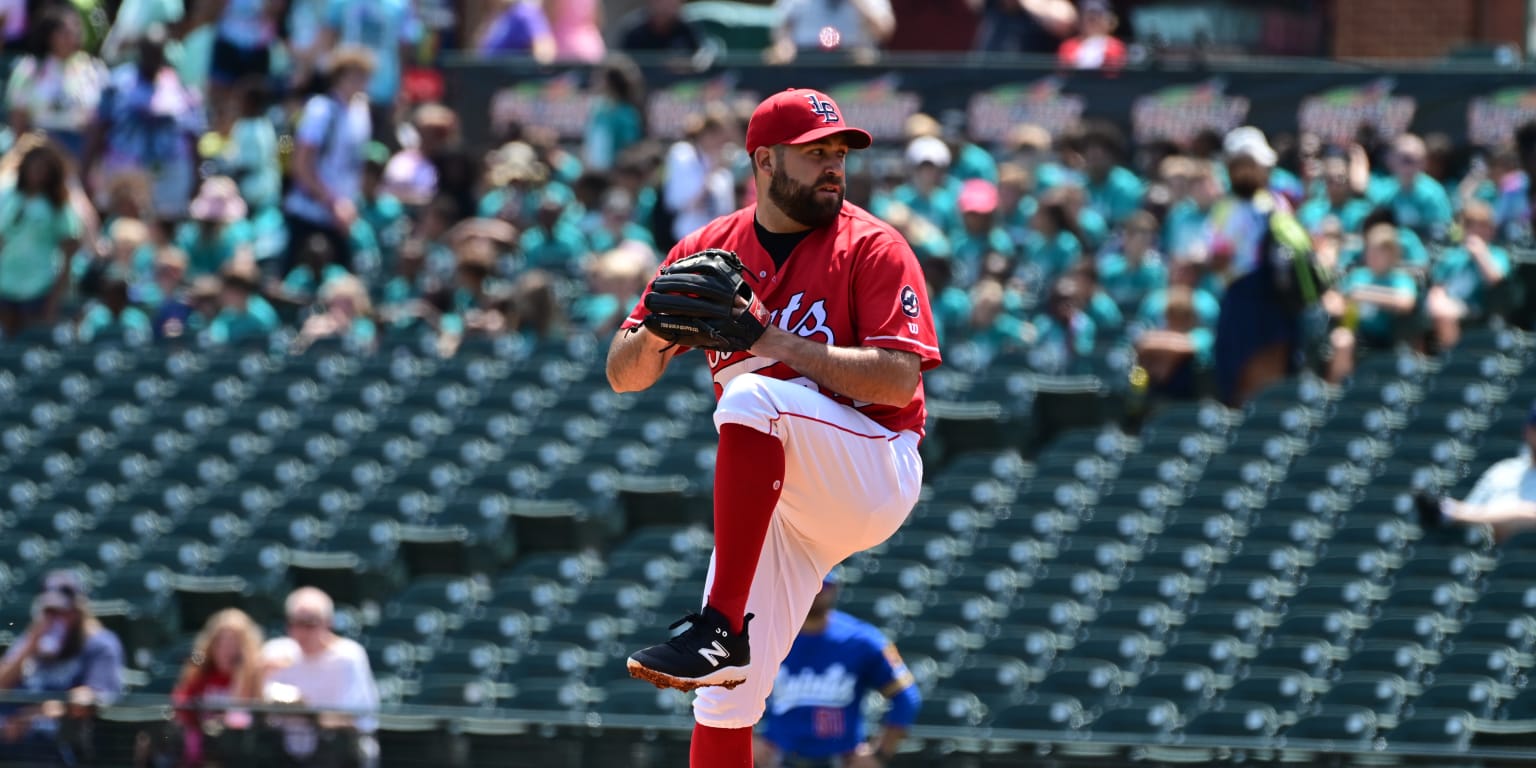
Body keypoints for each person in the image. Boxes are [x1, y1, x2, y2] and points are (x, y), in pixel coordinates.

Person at [608, 88, 938, 768]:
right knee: (722, 700)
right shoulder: (708, 248)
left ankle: (720, 626)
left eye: (839, 153)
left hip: (873, 466)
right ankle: (723, 647)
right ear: (764, 160)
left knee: (753, 395)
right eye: (816, 153)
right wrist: (659, 331)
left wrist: (770, 339)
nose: (833, 166)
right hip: (784, 505)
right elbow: (623, 375)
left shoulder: (873, 245)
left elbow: (898, 380)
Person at [753, 572, 920, 768]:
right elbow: (729, 690)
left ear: (835, 588)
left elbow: (906, 697)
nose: (816, 592)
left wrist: (880, 753)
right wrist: (750, 741)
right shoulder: (767, 637)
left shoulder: (861, 640)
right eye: (808, 584)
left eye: (823, 586)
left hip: (841, 760)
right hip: (780, 758)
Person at [1207, 126, 1323, 407]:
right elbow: (1217, 260)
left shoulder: (1276, 204)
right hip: (1243, 299)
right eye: (1240, 164)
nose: (1246, 171)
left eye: (1252, 164)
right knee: (1241, 383)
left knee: (1273, 383)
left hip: (1274, 299)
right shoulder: (1226, 209)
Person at [0, 571, 125, 764]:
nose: (55, 618)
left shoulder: (100, 644)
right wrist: (31, 644)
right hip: (14, 735)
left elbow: (92, 697)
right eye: (49, 612)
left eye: (62, 612)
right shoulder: (34, 638)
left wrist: (32, 716)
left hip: (58, 743)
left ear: (78, 612)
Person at [261, 587, 379, 768]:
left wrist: (305, 708)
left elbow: (351, 719)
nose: (302, 631)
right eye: (295, 623)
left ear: (328, 623)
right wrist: (258, 672)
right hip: (285, 753)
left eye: (310, 623)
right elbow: (253, 704)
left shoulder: (348, 656)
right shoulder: (275, 652)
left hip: (337, 752)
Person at [282, 46, 374, 275]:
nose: (360, 82)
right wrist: (332, 203)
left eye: (363, 76)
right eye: (353, 75)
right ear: (339, 76)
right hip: (309, 215)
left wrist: (350, 205)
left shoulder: (362, 112)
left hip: (342, 219)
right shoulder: (320, 110)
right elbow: (301, 165)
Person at [1416, 402, 1536, 544]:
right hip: (1489, 547)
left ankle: (1447, 510)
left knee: (1522, 513)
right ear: (1527, 430)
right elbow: (1472, 510)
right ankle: (1447, 510)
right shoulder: (1504, 471)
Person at [0, 140, 83, 338]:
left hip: (39, 286)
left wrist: (54, 301)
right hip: (5, 283)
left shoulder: (57, 205)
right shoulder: (8, 197)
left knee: (32, 342)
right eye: (34, 167)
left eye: (43, 168)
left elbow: (69, 251)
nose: (37, 172)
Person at [168, 609, 265, 768]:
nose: (226, 650)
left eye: (234, 644)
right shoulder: (200, 672)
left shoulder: (254, 677)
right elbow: (181, 708)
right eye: (221, 642)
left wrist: (241, 676)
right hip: (204, 752)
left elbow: (241, 718)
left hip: (240, 756)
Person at [5, 10, 107, 156]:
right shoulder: (30, 69)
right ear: (50, 36)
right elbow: (18, 115)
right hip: (40, 144)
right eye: (66, 32)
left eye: (77, 30)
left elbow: (100, 117)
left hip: (80, 145)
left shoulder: (91, 68)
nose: (74, 36)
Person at [768, 0, 896, 65]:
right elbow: (780, 28)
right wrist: (784, 45)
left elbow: (884, 30)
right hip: (805, 62)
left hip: (853, 64)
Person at [966, 0, 1076, 54]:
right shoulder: (991, 5)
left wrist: (1029, 3)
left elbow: (1067, 23)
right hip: (987, 80)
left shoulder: (1041, 5)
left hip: (1029, 83)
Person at [617, 0, 703, 56]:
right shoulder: (633, 29)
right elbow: (621, 62)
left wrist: (688, 65)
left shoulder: (687, 28)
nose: (667, 5)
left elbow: (700, 57)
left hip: (680, 79)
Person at [1057, 0, 1125, 70]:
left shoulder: (1116, 46)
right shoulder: (1068, 46)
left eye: (1098, 16)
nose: (1094, 21)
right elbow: (1064, 72)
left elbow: (1114, 71)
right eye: (1090, 18)